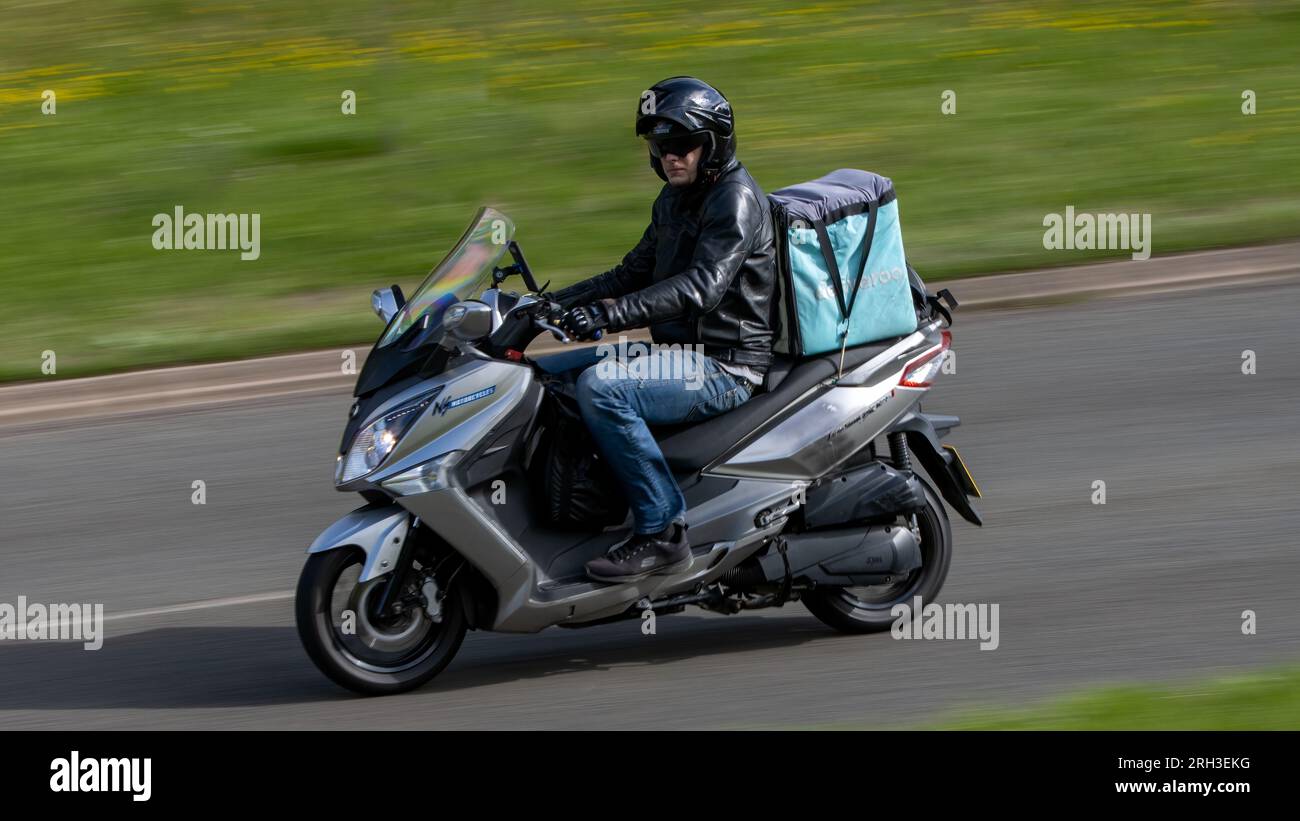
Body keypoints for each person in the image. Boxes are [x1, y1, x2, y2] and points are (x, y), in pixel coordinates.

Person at [550, 76, 776, 582]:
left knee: (603, 389)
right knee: (548, 377)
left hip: (723, 365)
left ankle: (662, 531)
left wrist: (609, 316)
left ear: (713, 144)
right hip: (678, 354)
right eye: (660, 147)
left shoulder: (733, 200)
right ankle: (573, 510)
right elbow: (628, 273)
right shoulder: (675, 199)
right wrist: (544, 304)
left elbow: (702, 288)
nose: (670, 158)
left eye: (682, 146)